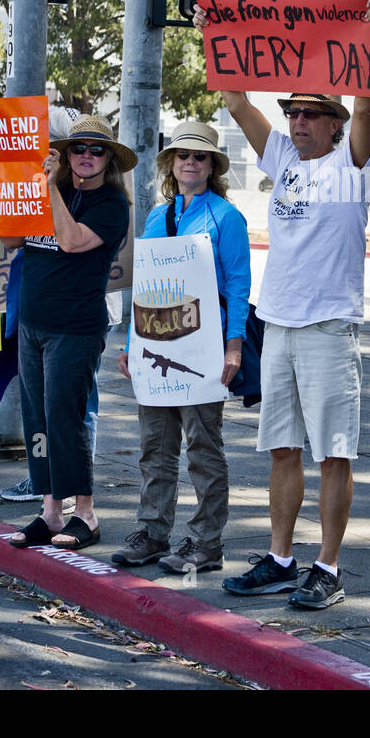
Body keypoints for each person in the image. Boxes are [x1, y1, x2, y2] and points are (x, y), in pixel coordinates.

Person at [196, 0, 370, 611]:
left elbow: (366, 103)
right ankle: (280, 559)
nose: (298, 121)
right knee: (282, 447)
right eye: (293, 112)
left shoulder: (352, 166)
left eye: (310, 114)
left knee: (334, 452)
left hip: (329, 327)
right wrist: (213, 33)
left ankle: (328, 566)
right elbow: (236, 101)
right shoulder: (282, 159)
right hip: (276, 325)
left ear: (332, 123)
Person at [112, 121, 251, 575]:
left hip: (203, 347)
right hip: (155, 341)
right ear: (171, 164)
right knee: (155, 445)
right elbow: (144, 287)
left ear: (213, 166)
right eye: (183, 156)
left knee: (203, 448)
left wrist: (234, 348)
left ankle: (207, 542)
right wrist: (132, 344)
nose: (190, 162)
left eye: (200, 156)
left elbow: (237, 284)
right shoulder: (157, 216)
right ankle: (153, 532)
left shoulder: (227, 218)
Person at [4, 116, 134, 551]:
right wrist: (14, 187)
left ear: (109, 159)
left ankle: (86, 514)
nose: (86, 156)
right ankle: (50, 510)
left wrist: (50, 189)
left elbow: (71, 241)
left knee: (67, 418)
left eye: (96, 150)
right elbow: (12, 241)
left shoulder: (112, 204)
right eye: (78, 148)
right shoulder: (50, 190)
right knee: (37, 420)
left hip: (75, 328)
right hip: (32, 321)